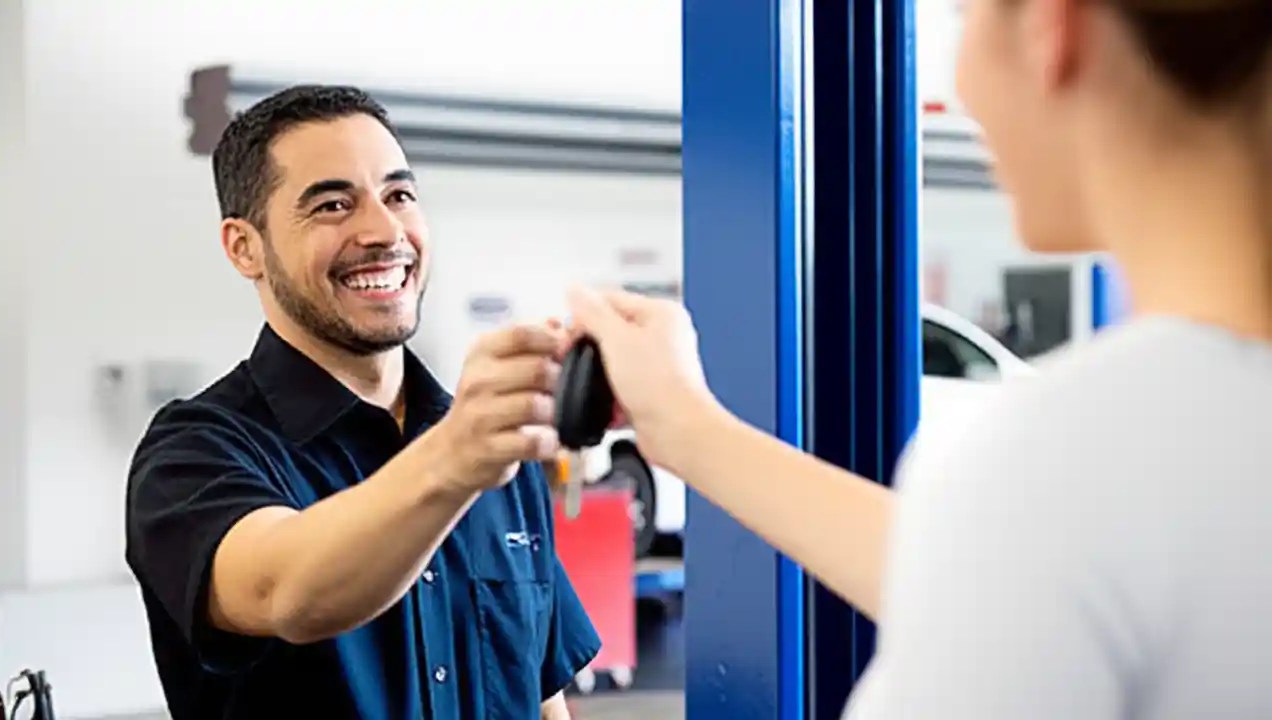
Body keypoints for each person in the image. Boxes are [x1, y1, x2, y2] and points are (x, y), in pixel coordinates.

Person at [566, 0, 1272, 717]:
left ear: (1052, 28)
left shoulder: (1048, 466)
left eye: (966, 17)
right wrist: (690, 432)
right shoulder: (1141, 475)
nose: (960, 87)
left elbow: (1027, 568)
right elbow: (1002, 581)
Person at [124, 85, 599, 720]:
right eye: (332, 205)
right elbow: (287, 591)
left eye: (398, 195)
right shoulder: (193, 455)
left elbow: (543, 701)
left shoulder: (493, 453)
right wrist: (454, 458)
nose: (383, 231)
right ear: (244, 247)